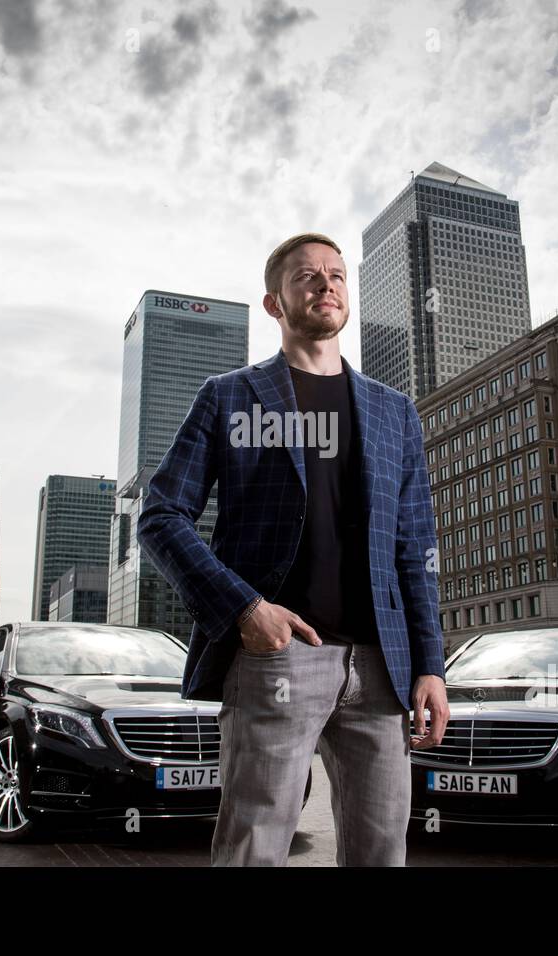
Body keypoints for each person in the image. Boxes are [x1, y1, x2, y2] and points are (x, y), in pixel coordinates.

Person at [137, 232, 447, 866]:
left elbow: (414, 551)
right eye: (306, 276)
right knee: (254, 846)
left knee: (382, 851)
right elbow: (162, 514)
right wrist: (245, 609)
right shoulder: (228, 397)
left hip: (381, 669)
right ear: (275, 303)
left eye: (336, 275)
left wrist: (431, 665)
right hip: (278, 655)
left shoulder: (396, 413)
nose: (326, 284)